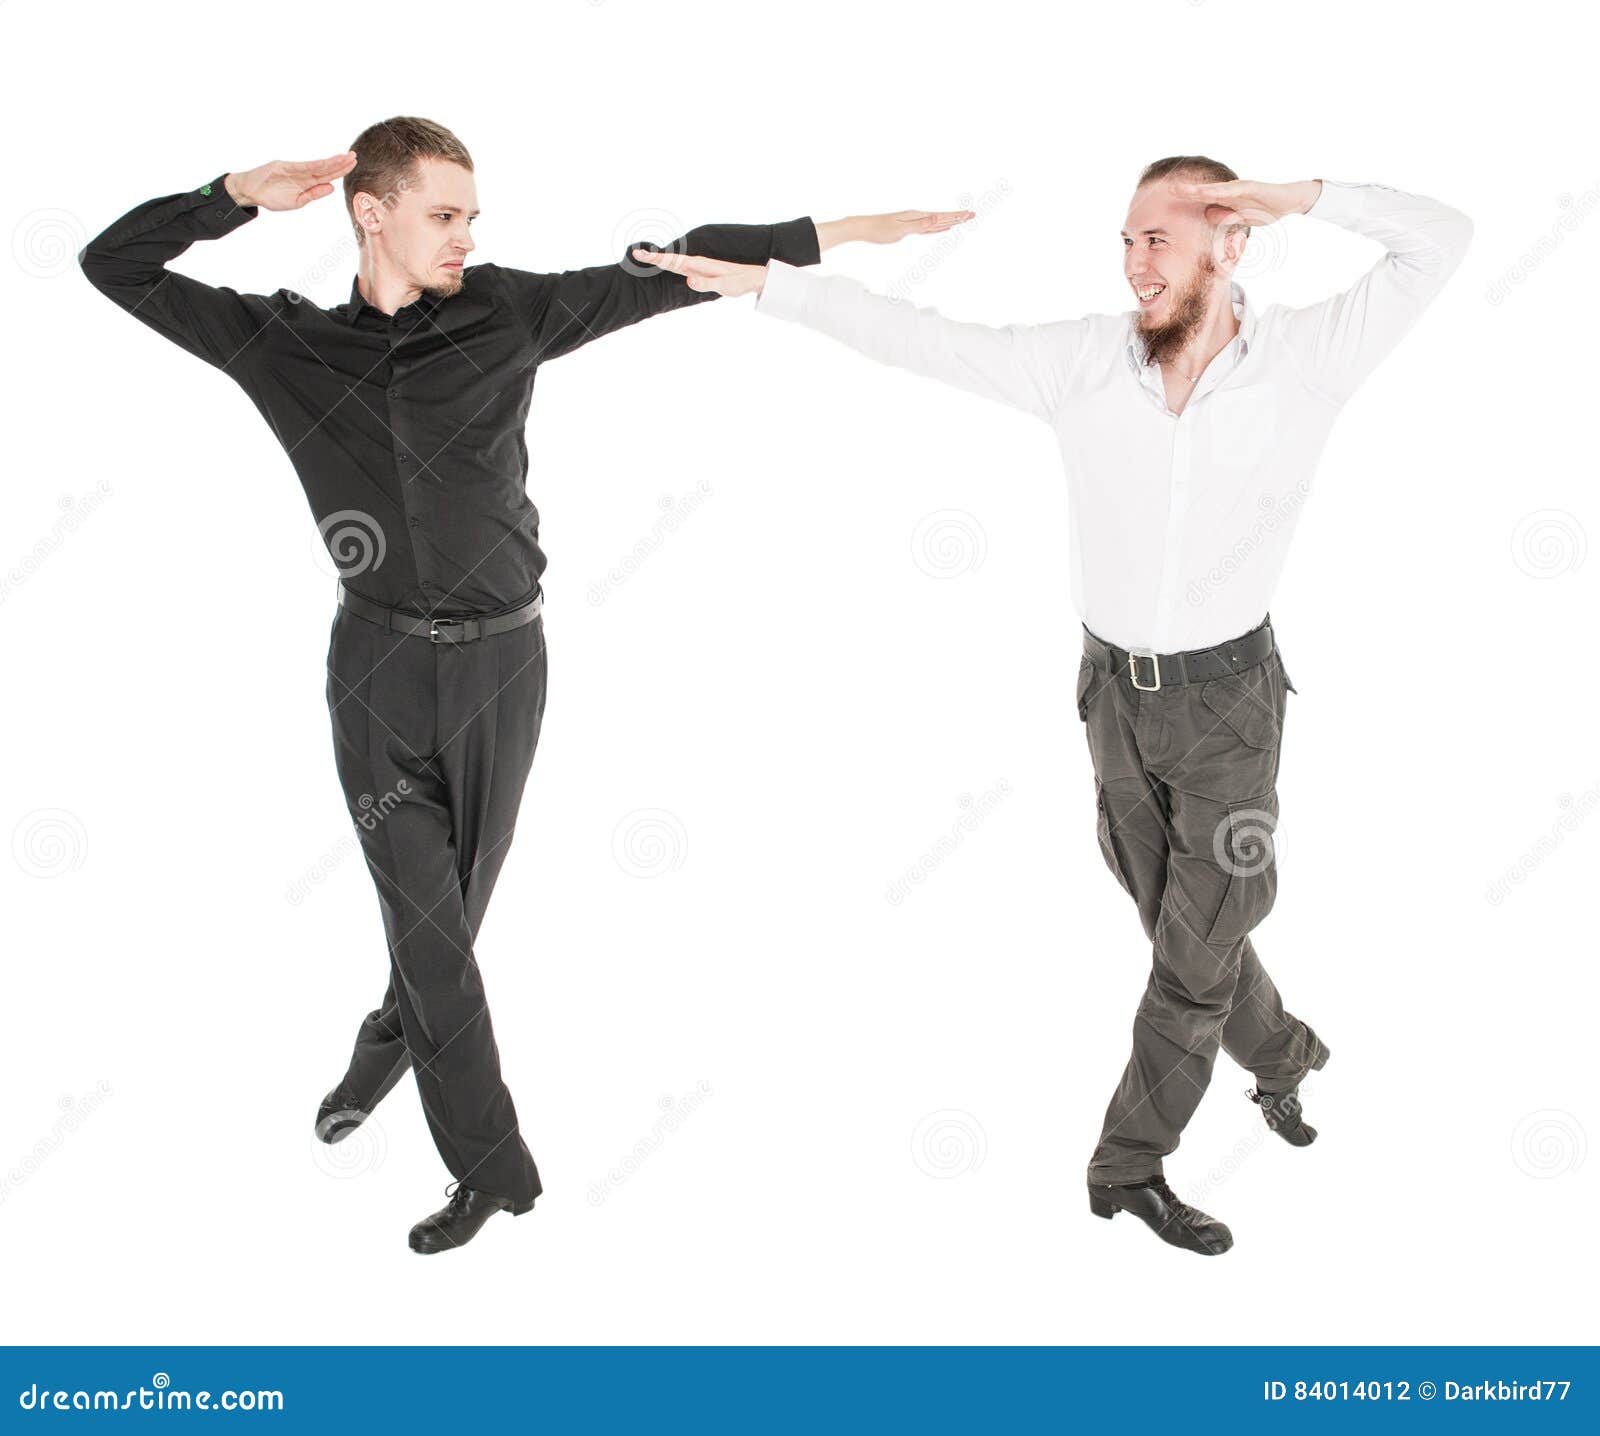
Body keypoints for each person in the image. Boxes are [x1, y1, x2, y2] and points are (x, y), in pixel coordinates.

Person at [77, 115, 969, 1254]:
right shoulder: (281, 344)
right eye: (442, 215)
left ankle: (383, 1045)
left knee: (448, 920)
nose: (462, 236)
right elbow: (116, 264)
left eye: (470, 218)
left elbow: (664, 266)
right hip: (377, 672)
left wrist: (829, 233)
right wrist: (232, 192)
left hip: (508, 663)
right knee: (434, 933)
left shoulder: (505, 311)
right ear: (371, 211)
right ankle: (493, 1171)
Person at [632, 157, 1473, 1255]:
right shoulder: (1083, 361)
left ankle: (1129, 1164)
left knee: (1192, 951)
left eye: (1156, 241)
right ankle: (1284, 1053)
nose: (1133, 264)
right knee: (1181, 920)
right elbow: (918, 337)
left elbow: (1443, 236)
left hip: (1231, 705)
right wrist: (768, 283)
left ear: (1229, 245)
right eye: (1125, 241)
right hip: (1111, 697)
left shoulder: (1311, 358)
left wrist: (1303, 196)